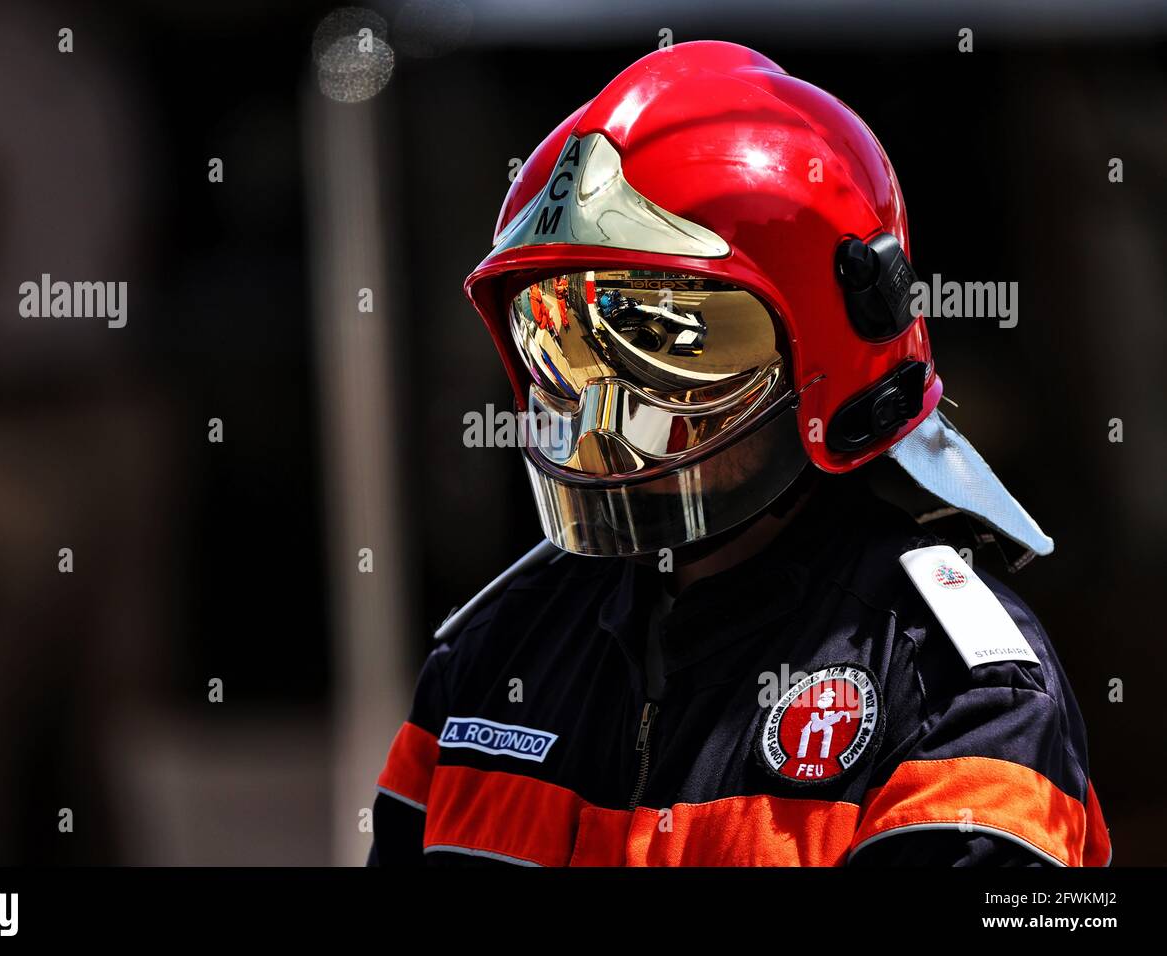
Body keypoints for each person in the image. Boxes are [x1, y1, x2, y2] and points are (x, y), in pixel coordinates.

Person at [369, 41, 1110, 866]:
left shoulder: (956, 687)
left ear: (829, 341)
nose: (612, 416)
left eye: (672, 339)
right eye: (564, 340)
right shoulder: (493, 649)